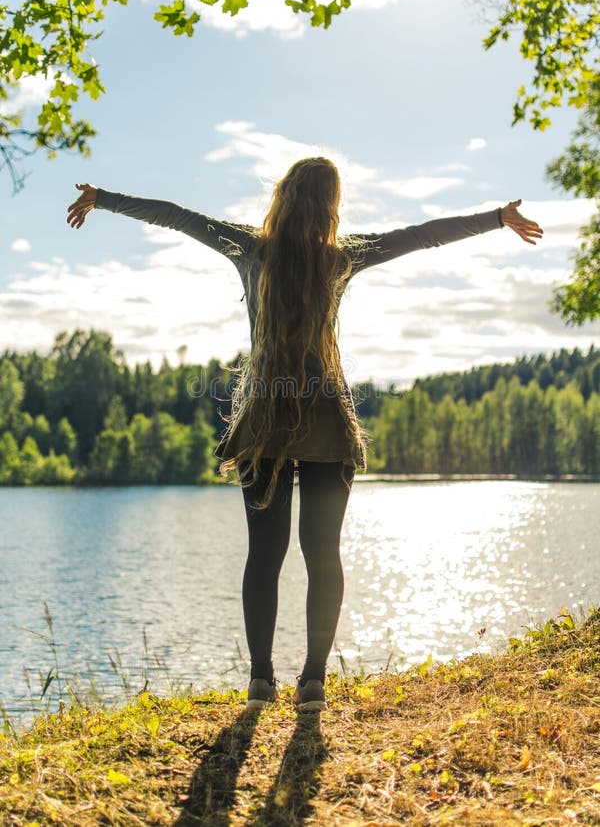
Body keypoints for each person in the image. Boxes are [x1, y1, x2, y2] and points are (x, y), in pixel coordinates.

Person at [67, 159, 542, 712]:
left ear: (285, 196)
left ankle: (262, 680)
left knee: (264, 555)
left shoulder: (250, 247)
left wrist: (103, 198)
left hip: (265, 423)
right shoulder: (339, 256)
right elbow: (419, 237)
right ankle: (313, 681)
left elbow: (176, 217)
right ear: (331, 204)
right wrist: (495, 218)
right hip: (326, 425)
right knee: (324, 555)